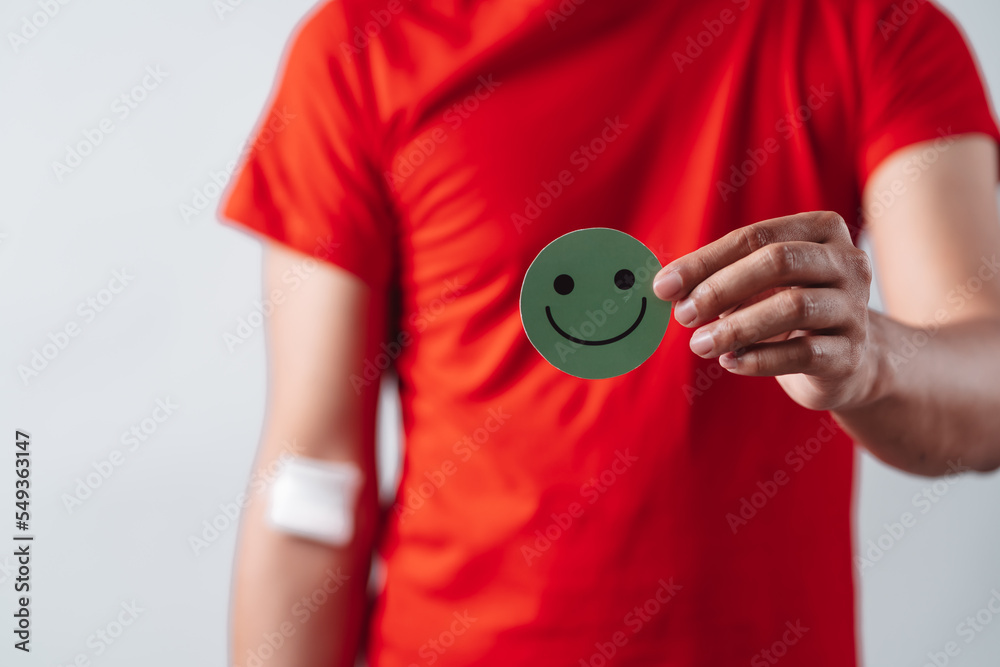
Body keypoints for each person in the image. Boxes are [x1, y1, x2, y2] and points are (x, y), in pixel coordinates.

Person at [219, 0, 1000, 664]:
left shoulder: (873, 28)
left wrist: (872, 359)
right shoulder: (361, 49)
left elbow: (987, 387)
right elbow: (313, 477)